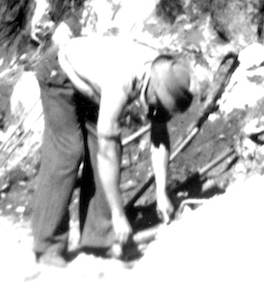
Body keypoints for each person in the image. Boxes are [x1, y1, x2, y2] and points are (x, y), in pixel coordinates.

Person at [30, 33, 195, 268]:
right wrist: (120, 214)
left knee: (105, 145)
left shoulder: (163, 75)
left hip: (92, 83)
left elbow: (159, 137)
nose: (156, 111)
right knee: (68, 150)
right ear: (152, 89)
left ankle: (99, 237)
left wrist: (161, 193)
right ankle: (47, 243)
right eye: (157, 105)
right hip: (58, 71)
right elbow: (107, 153)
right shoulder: (122, 81)